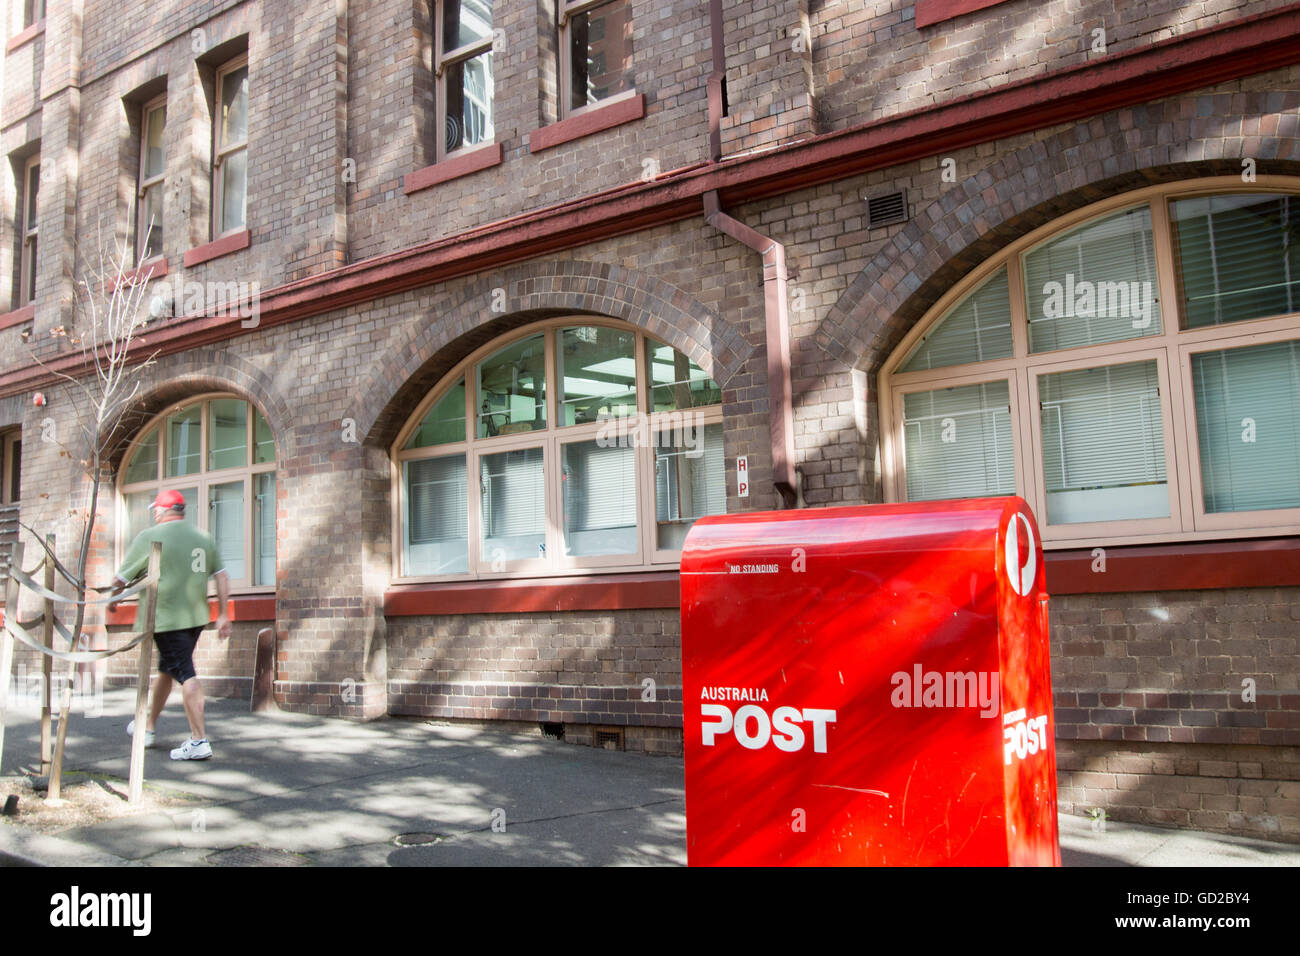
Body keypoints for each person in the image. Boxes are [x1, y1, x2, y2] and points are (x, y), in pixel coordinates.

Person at [109, 489, 231, 760]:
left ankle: (199, 740)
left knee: (185, 672)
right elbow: (221, 575)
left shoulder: (149, 537)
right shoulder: (203, 537)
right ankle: (148, 727)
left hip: (165, 619)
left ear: (161, 511)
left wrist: (111, 598)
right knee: (168, 669)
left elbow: (120, 579)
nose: (154, 513)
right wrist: (223, 614)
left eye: (155, 509)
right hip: (196, 619)